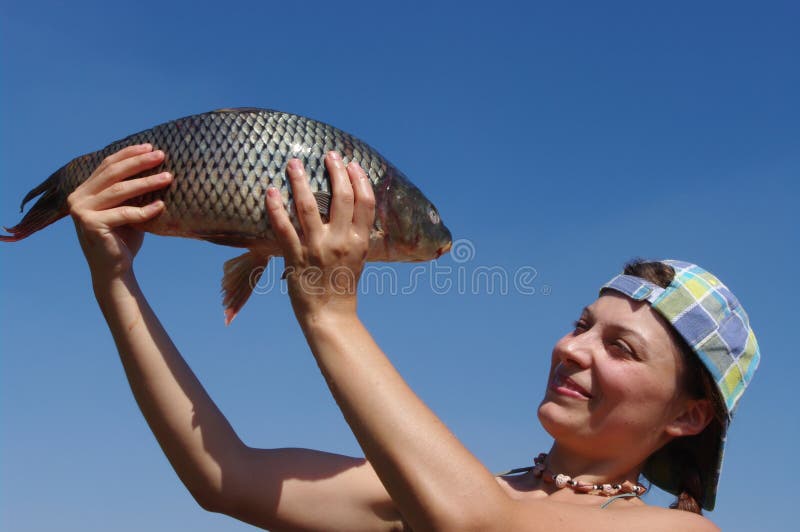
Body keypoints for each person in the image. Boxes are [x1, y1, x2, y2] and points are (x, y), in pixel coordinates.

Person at [67, 144, 759, 531]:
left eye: (621, 348)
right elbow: (225, 477)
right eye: (582, 326)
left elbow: (471, 526)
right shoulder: (448, 487)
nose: (573, 349)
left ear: (688, 415)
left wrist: (331, 316)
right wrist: (116, 280)